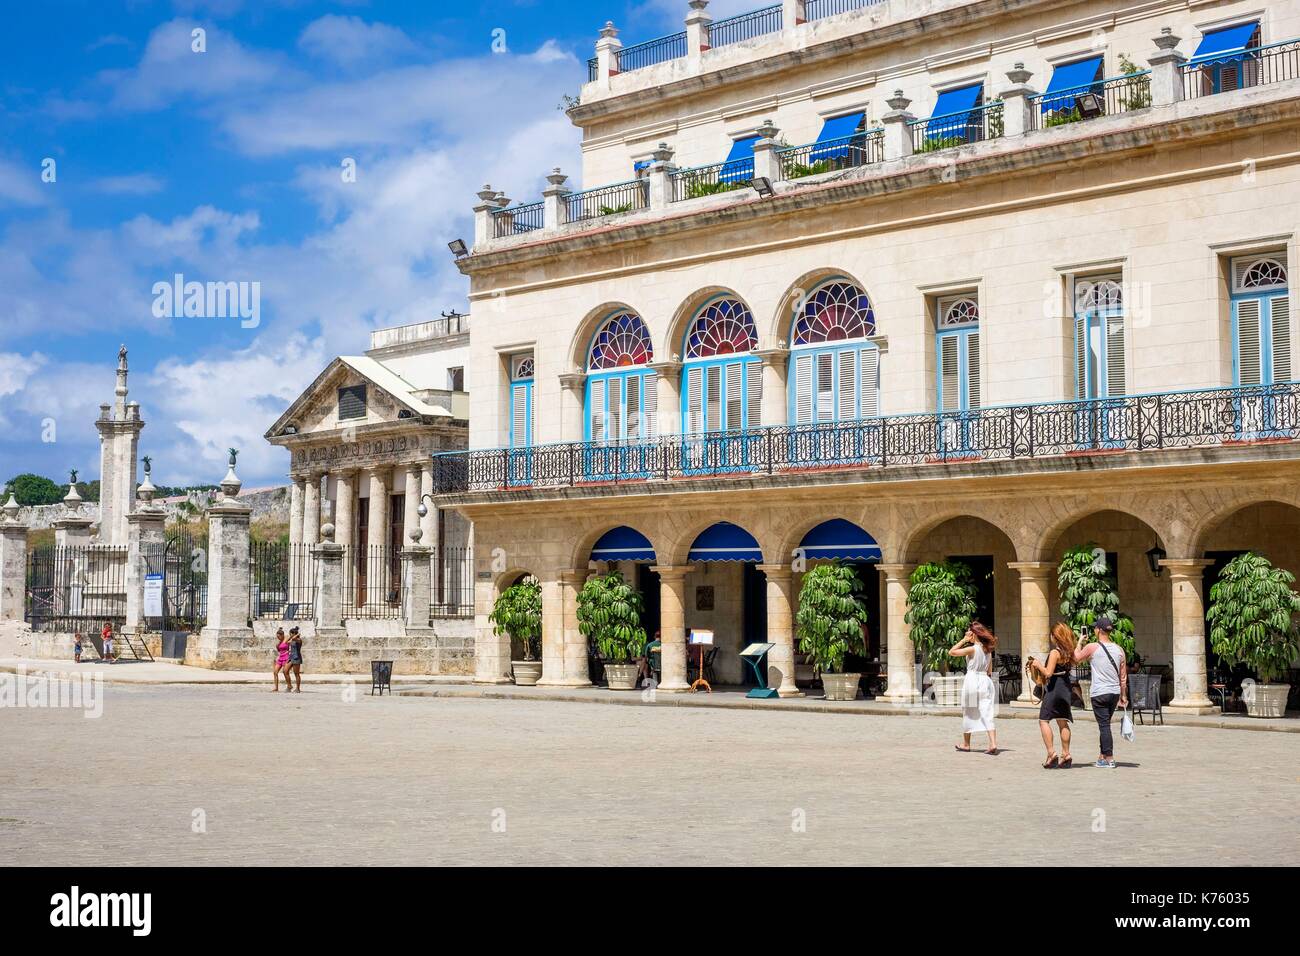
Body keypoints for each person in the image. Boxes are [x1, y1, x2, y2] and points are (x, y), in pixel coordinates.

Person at [1073, 616, 1129, 768]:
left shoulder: (1092, 647)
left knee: (1104, 726)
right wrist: (1123, 695)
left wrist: (1079, 642)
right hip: (1114, 692)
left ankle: (1109, 758)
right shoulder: (1119, 650)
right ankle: (1102, 757)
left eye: (1094, 628)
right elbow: (1123, 676)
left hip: (1099, 693)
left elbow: (1076, 658)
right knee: (1105, 724)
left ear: (1098, 630)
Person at [1027, 622, 1077, 768]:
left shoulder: (1055, 652)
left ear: (1056, 636)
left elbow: (1048, 673)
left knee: (1044, 720)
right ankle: (1066, 754)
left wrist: (1037, 664)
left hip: (1055, 688)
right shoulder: (1069, 652)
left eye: (1052, 634)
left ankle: (1051, 753)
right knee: (1063, 721)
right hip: (1065, 687)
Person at [950, 622, 998, 755]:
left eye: (968, 632)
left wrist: (964, 640)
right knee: (987, 711)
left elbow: (952, 652)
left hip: (972, 680)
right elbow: (989, 671)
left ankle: (966, 744)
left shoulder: (972, 649)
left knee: (968, 711)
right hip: (985, 681)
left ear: (973, 634)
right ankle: (993, 743)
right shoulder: (988, 650)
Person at [285, 626, 304, 693]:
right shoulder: (292, 639)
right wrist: (291, 637)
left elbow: (294, 638)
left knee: (296, 674)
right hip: (291, 657)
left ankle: (298, 688)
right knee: (285, 671)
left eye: (290, 633)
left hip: (296, 657)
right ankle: (289, 686)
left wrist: (296, 635)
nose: (289, 635)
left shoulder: (299, 640)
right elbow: (286, 642)